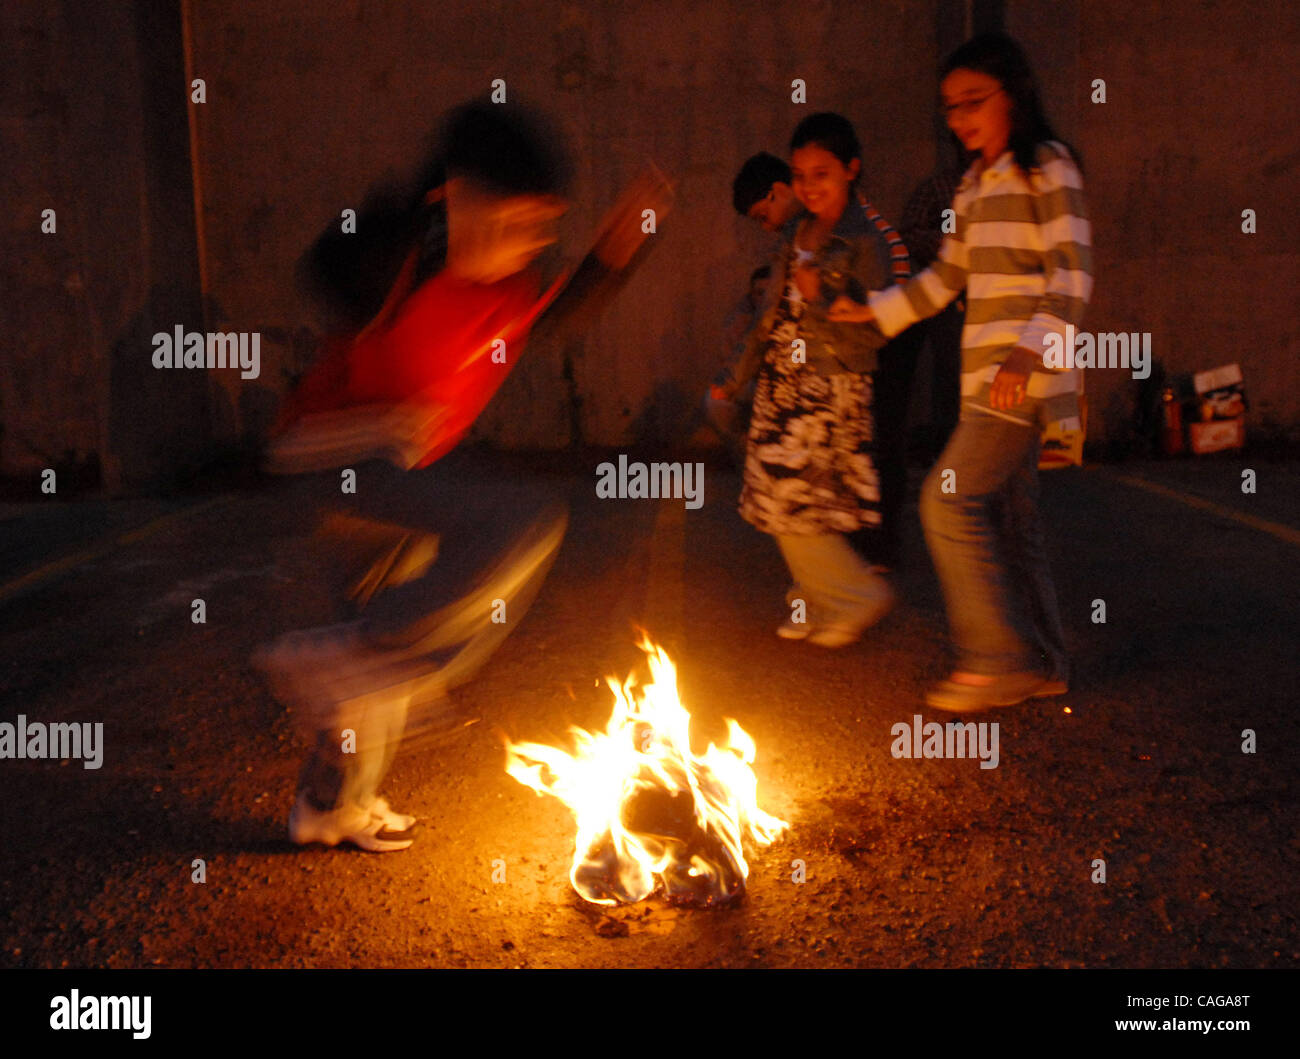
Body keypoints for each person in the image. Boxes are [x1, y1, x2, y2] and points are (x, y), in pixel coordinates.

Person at [255, 102, 672, 850]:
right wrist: (400, 221)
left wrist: (622, 243)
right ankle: (362, 651)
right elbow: (329, 267)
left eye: (539, 229)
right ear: (451, 201)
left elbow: (564, 315)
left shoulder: (512, 289)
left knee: (367, 688)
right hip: (334, 459)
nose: (522, 246)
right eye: (506, 224)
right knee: (524, 520)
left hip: (403, 478)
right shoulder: (400, 263)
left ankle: (329, 804)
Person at [829, 33, 1091, 711]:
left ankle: (997, 658)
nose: (960, 119)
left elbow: (1072, 274)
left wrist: (1030, 352)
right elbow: (946, 278)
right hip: (986, 382)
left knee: (945, 500)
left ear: (1016, 93)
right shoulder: (973, 187)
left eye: (973, 102)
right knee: (1012, 520)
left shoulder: (1050, 167)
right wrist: (876, 311)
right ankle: (1044, 662)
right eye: (950, 108)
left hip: (1024, 377)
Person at [714, 113, 897, 649]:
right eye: (801, 175)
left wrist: (819, 297)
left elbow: (874, 333)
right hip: (782, 386)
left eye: (822, 173)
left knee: (798, 502)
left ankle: (856, 595)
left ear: (851, 170)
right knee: (784, 502)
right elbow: (769, 317)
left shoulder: (868, 240)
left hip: (827, 386)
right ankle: (820, 598)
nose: (809, 187)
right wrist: (736, 377)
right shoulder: (795, 235)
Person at [724, 150, 915, 570]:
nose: (767, 225)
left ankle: (871, 558)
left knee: (866, 454)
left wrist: (821, 306)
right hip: (818, 367)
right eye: (803, 177)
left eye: (762, 214)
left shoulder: (856, 234)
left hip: (866, 353)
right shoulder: (802, 236)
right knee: (817, 479)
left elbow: (878, 316)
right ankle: (848, 571)